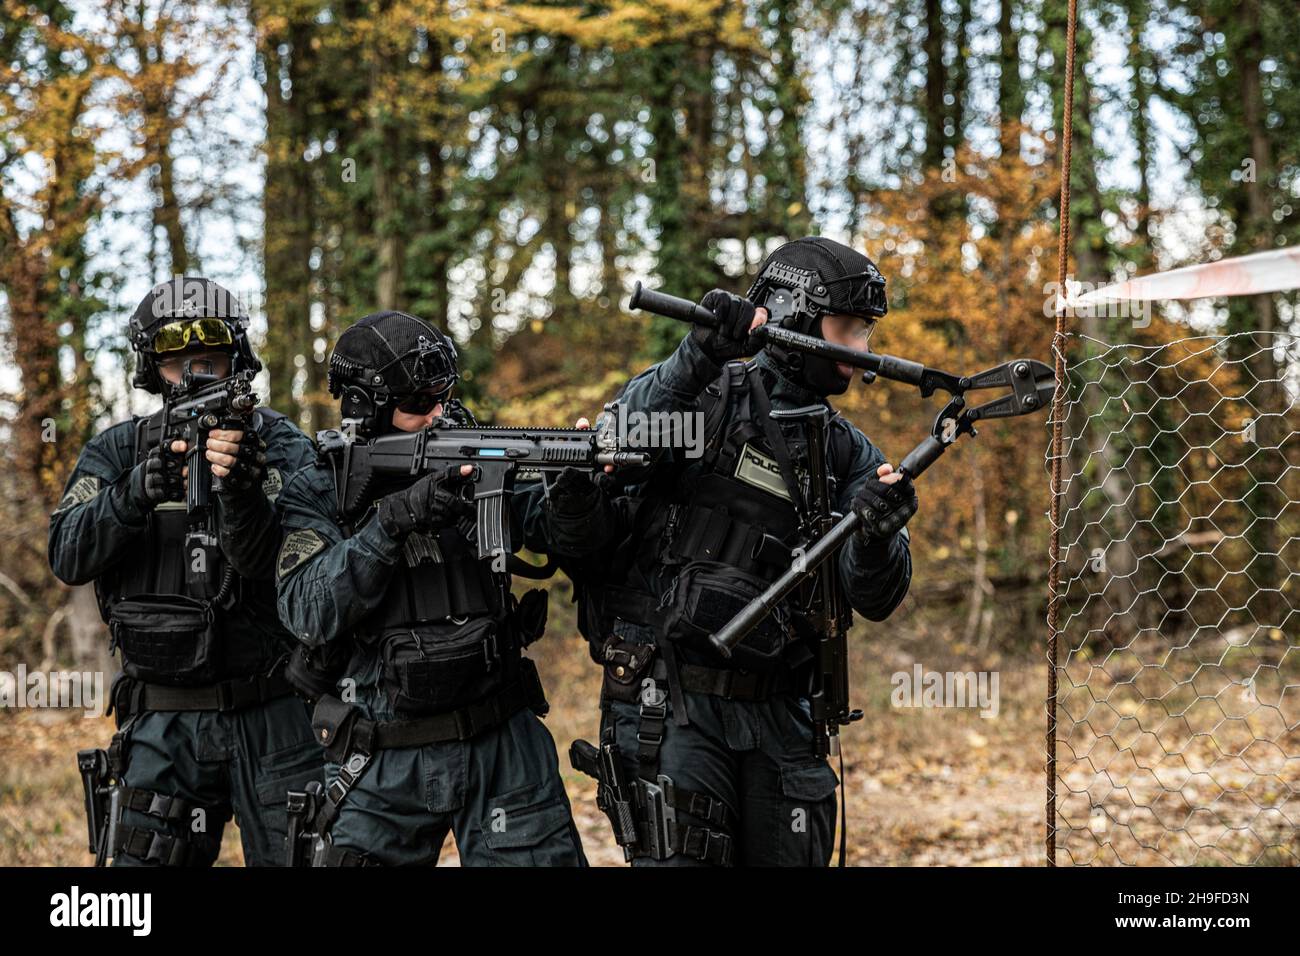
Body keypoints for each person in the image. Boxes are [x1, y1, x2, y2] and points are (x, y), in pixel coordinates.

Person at [574, 237, 916, 866]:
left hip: (783, 717)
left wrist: (876, 537)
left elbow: (876, 598)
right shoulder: (700, 399)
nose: (863, 353)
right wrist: (694, 359)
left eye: (867, 333)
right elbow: (609, 447)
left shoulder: (849, 454)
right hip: (671, 705)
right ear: (793, 316)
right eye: (849, 329)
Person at [275, 310, 590, 866]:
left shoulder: (477, 451)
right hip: (376, 756)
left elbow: (556, 534)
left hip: (500, 741)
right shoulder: (321, 488)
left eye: (444, 395)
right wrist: (391, 524)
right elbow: (307, 610)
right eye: (420, 403)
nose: (440, 412)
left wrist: (574, 496)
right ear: (363, 409)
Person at [48, 276, 322, 866]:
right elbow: (67, 554)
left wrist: (246, 490)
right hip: (162, 720)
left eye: (211, 360)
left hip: (273, 711)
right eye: (178, 365)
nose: (196, 376)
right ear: (153, 368)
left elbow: (305, 572)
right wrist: (131, 496)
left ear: (236, 361)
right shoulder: (120, 450)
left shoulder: (280, 445)